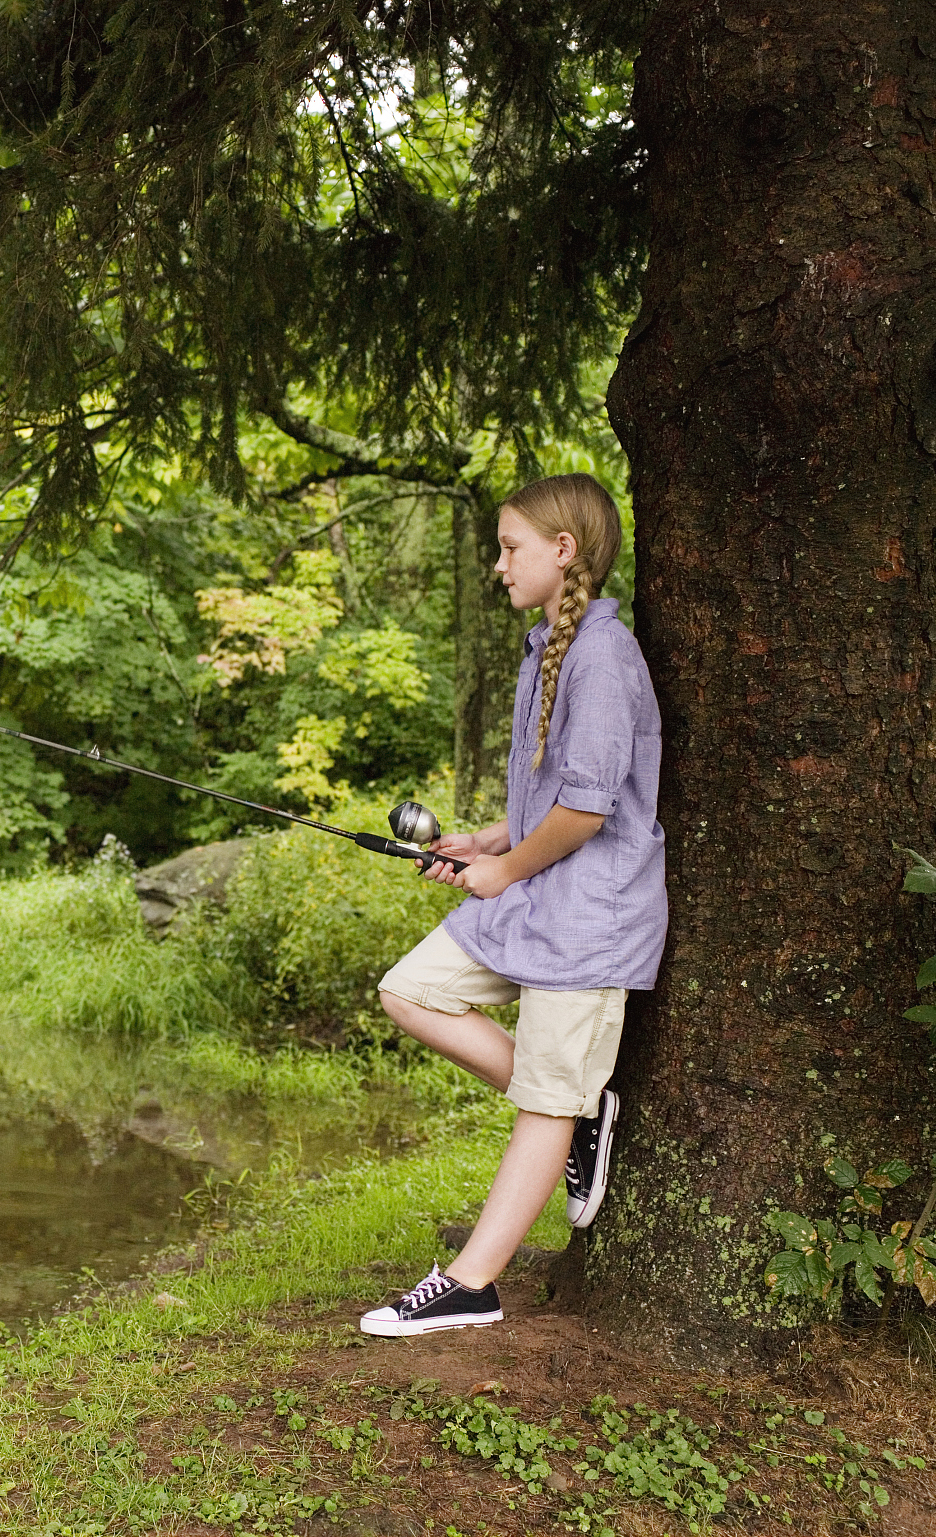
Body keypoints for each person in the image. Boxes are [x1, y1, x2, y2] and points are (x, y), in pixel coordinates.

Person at [359, 473, 666, 1337]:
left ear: (563, 551)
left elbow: (591, 807)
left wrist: (506, 869)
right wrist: (491, 844)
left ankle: (472, 1283)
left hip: (592, 913)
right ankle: (579, 1111)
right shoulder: (548, 649)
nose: (499, 565)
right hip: (538, 891)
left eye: (511, 547)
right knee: (408, 988)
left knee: (543, 1101)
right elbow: (555, 796)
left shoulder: (605, 655)